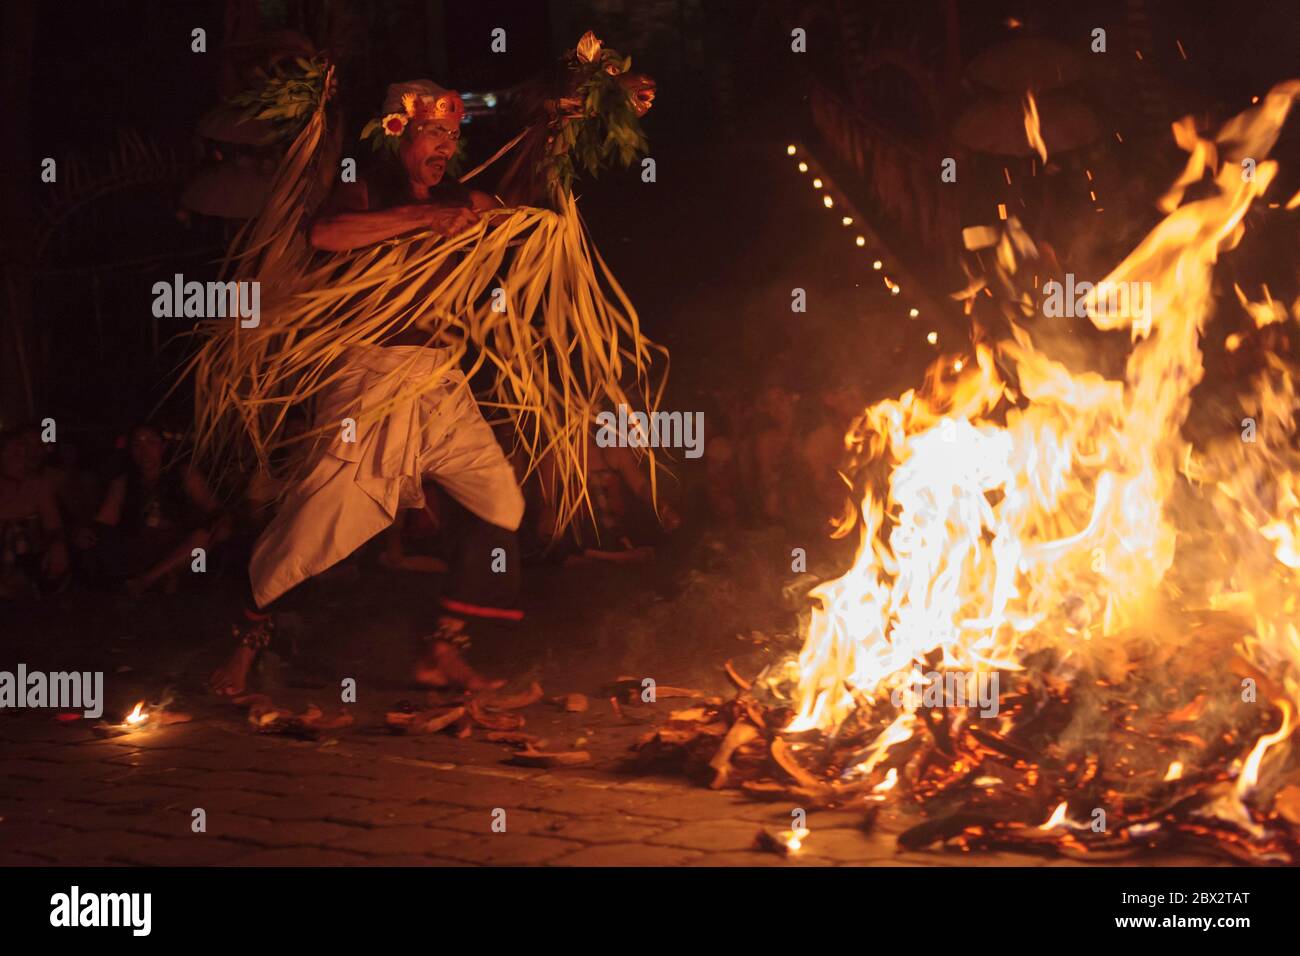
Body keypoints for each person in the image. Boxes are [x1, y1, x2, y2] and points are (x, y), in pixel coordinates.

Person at [209, 81, 524, 696]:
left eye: (452, 137)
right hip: (369, 381)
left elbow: (522, 209)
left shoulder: (464, 197)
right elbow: (325, 234)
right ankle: (244, 648)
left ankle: (443, 647)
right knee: (314, 530)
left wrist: (555, 127)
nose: (445, 147)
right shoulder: (364, 189)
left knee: (501, 503)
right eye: (434, 133)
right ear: (397, 134)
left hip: (439, 381)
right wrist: (423, 217)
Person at [76, 424, 227, 595]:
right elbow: (104, 520)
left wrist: (219, 525)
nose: (144, 450)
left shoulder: (184, 474)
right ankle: (162, 577)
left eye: (151, 442)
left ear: (163, 447)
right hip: (143, 550)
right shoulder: (124, 483)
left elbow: (214, 509)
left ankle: (150, 579)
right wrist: (87, 532)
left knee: (202, 540)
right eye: (137, 444)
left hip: (185, 552)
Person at [0, 427, 69, 598]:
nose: (20, 460)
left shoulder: (38, 485)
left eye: (23, 454)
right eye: (14, 454)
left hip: (25, 557)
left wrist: (57, 546)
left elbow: (53, 525)